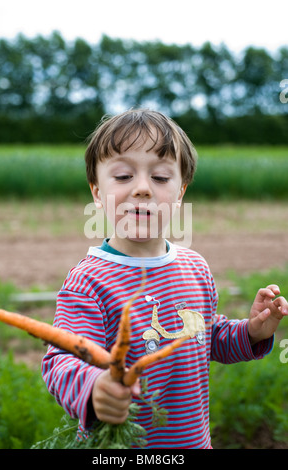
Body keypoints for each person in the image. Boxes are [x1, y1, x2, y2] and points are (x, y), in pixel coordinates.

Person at [42, 108, 288, 449]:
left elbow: (205, 336)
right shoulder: (89, 280)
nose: (143, 188)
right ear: (97, 191)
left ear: (181, 191)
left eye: (160, 178)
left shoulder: (195, 267)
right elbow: (62, 359)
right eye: (124, 176)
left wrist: (251, 332)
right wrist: (94, 386)